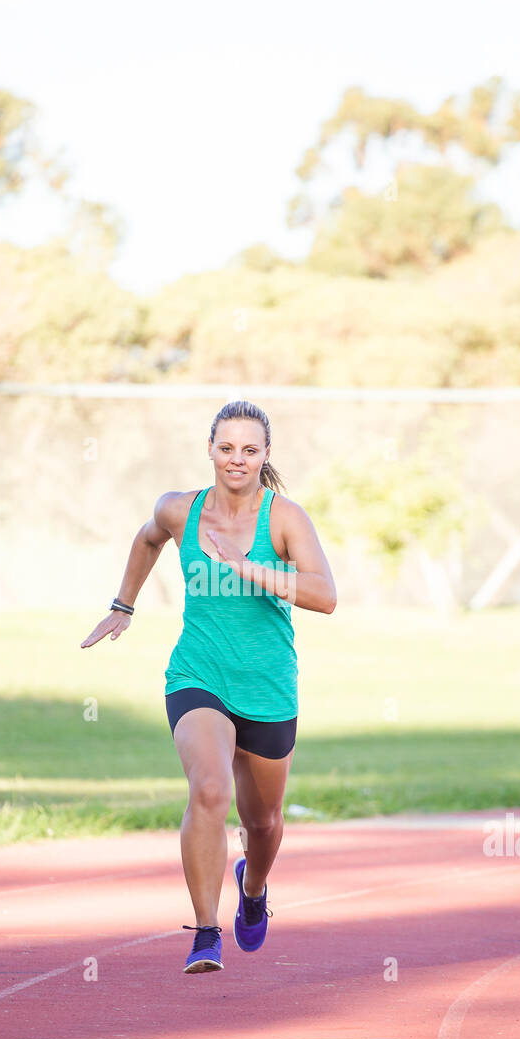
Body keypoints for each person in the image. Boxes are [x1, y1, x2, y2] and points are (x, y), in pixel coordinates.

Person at [81, 399, 336, 973]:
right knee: (210, 790)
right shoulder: (180, 511)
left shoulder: (284, 518)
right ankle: (205, 933)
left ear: (265, 454)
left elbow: (325, 595)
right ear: (210, 450)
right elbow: (147, 539)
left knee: (263, 822)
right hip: (198, 675)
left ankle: (254, 889)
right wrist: (124, 605)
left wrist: (250, 568)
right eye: (227, 449)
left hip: (269, 687)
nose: (237, 460)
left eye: (250, 450)